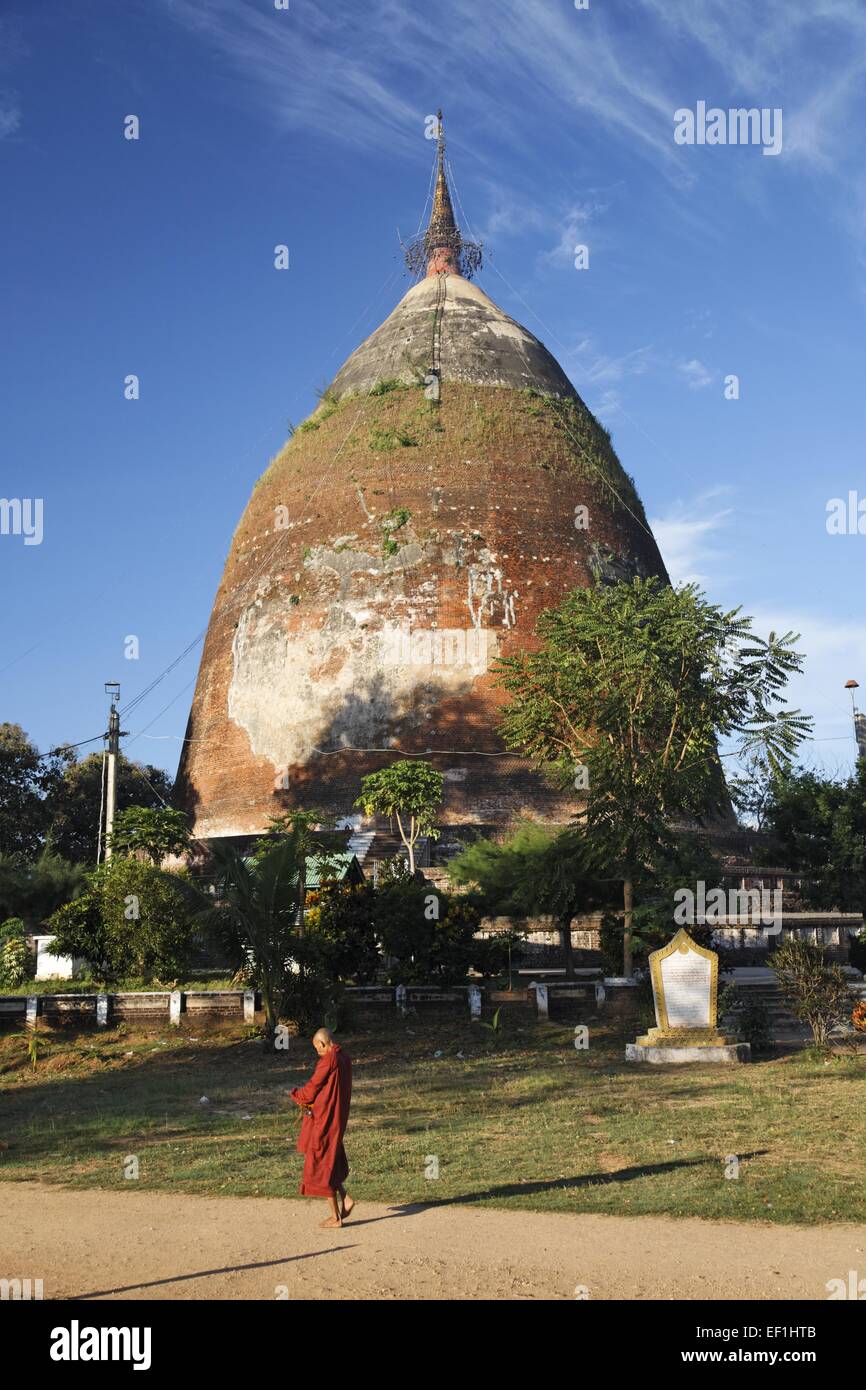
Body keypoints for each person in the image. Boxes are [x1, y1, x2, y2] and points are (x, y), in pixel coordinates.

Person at [290, 1027, 354, 1228]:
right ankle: (346, 1197)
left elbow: (313, 1087)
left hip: (325, 1121)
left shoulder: (329, 1060)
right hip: (335, 1119)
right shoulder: (343, 1057)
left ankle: (335, 1218)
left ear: (324, 1044)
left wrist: (297, 1095)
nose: (317, 1052)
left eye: (317, 1048)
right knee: (330, 1160)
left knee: (321, 1164)